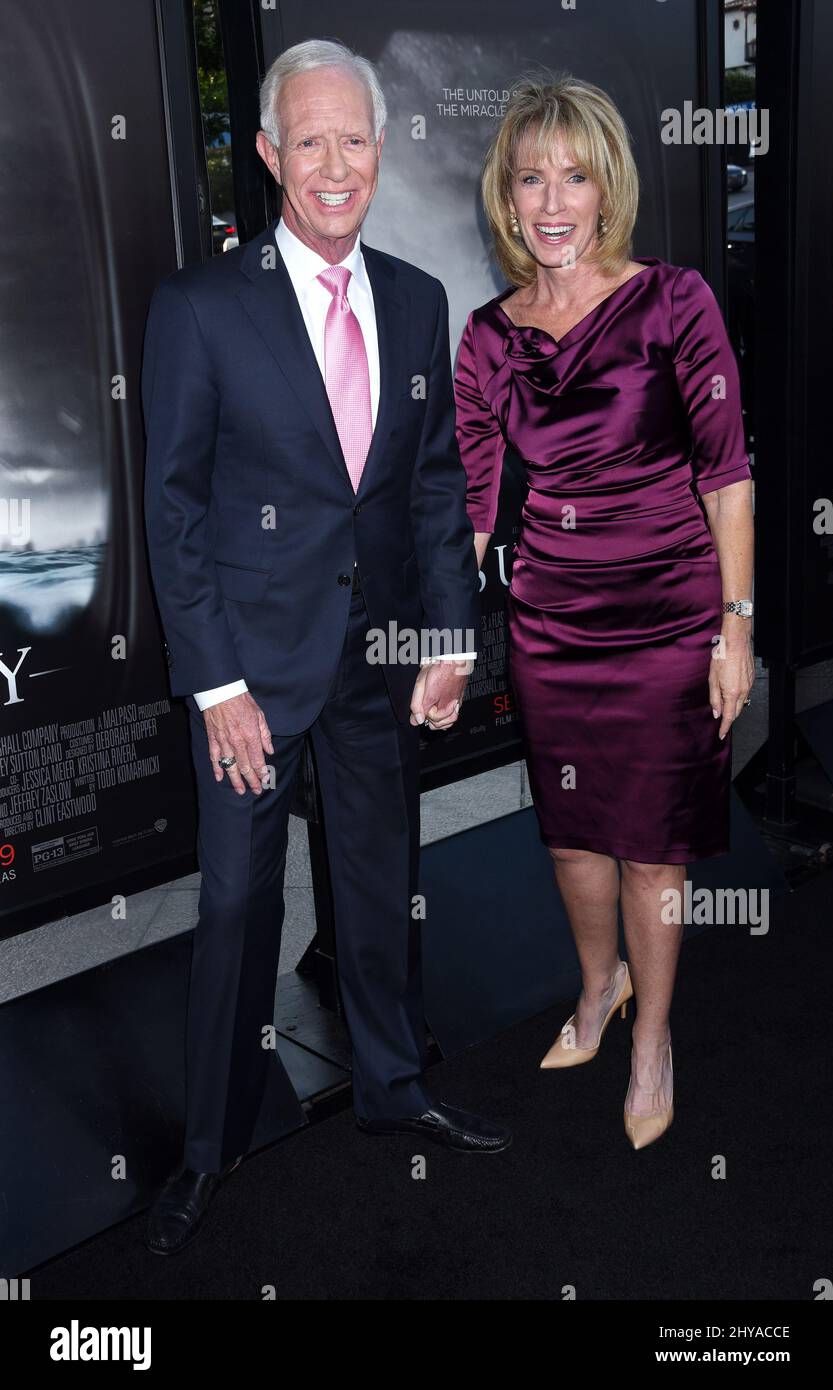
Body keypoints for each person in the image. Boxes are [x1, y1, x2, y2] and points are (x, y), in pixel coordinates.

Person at [141, 38, 511, 1255]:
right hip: (250, 673)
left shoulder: (416, 298)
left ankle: (396, 1085)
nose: (336, 164)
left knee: (375, 880)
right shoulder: (201, 308)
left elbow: (432, 485)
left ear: (382, 146)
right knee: (239, 905)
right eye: (310, 141)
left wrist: (450, 637)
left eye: (355, 137)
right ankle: (212, 1146)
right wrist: (215, 687)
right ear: (268, 157)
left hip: (377, 663)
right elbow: (178, 512)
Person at [454, 75, 754, 1150]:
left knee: (654, 849)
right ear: (506, 192)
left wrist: (738, 623)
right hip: (551, 626)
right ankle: (598, 987)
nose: (551, 198)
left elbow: (727, 475)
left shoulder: (675, 301)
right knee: (575, 834)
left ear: (607, 185)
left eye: (574, 174)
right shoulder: (489, 337)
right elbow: (475, 508)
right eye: (531, 175)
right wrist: (437, 629)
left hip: (672, 617)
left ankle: (654, 1037)